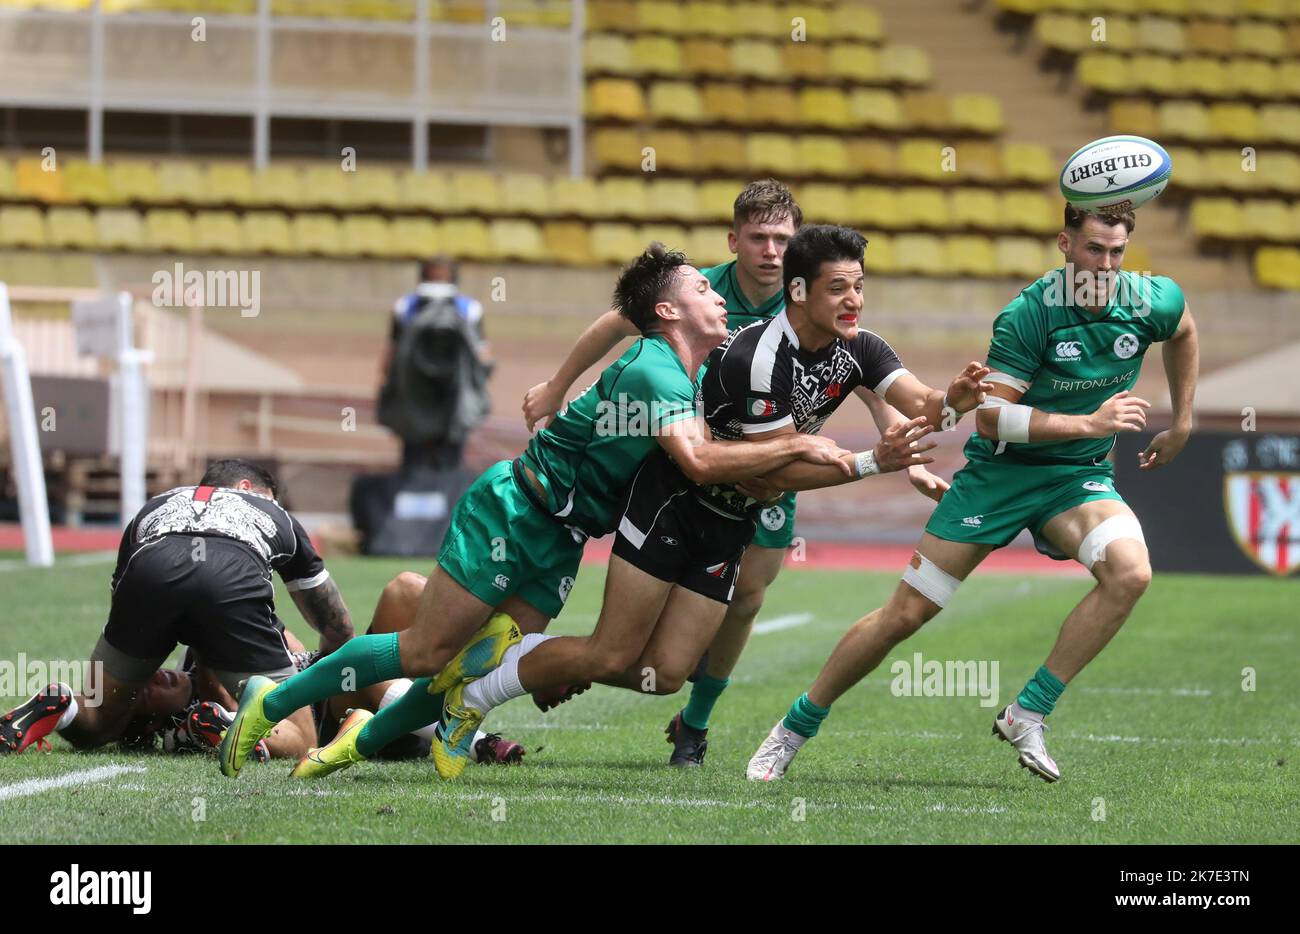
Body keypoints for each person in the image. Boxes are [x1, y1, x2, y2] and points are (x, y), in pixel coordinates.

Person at [219, 243, 849, 780]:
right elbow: (702, 463)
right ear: (666, 312)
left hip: (564, 535)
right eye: (698, 288)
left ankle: (358, 743)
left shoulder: (693, 366)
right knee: (423, 650)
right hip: (518, 510)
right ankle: (274, 703)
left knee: (479, 661)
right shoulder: (657, 369)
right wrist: (801, 443)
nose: (717, 295)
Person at [426, 225, 992, 778]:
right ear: (799, 292)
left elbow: (923, 402)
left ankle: (524, 653)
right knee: (610, 654)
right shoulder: (759, 355)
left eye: (860, 286)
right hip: (674, 501)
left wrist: (954, 403)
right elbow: (767, 476)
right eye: (839, 288)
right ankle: (477, 694)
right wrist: (870, 462)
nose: (854, 300)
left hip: (732, 521)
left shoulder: (861, 348)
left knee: (665, 673)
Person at [746, 205, 1199, 783]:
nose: (1104, 266)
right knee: (905, 614)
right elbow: (991, 422)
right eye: (1093, 250)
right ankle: (794, 727)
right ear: (1065, 244)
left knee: (1131, 574)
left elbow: (1183, 330)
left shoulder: (1151, 299)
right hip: (999, 478)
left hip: (1076, 479)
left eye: (1116, 252)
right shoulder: (1031, 314)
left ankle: (1027, 712)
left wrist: (1182, 421)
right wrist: (1088, 424)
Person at [522, 181, 948, 767]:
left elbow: (870, 383)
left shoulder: (816, 300)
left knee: (746, 597)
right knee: (632, 586)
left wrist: (906, 454)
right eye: (759, 237)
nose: (772, 250)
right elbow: (616, 323)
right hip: (689, 460)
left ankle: (689, 721)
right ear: (734, 240)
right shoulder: (702, 292)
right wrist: (555, 385)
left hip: (769, 472)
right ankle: (570, 659)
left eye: (782, 238)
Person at [0, 459, 351, 760]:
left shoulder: (154, 505)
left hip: (148, 576)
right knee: (301, 736)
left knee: (100, 718)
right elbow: (335, 623)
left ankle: (64, 704)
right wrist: (331, 666)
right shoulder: (273, 513)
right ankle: (230, 722)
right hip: (230, 582)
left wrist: (137, 669)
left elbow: (121, 603)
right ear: (248, 488)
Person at [379, 256, 491, 472]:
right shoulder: (469, 309)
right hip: (448, 400)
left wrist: (389, 395)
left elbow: (389, 359)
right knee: (448, 466)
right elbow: (483, 359)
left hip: (416, 399)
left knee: (415, 464)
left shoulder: (405, 307)